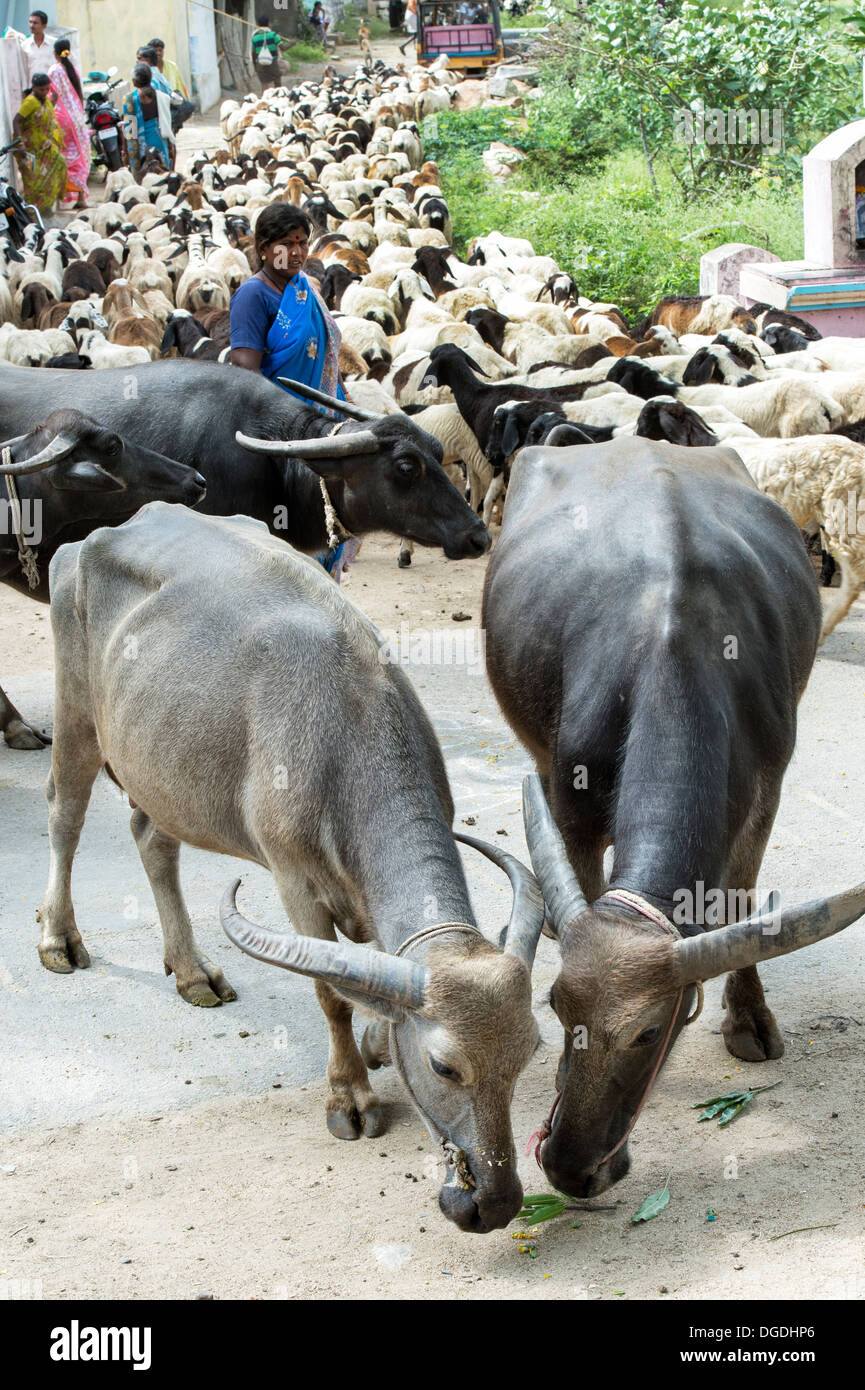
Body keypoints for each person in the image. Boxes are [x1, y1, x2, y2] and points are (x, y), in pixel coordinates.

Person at [230, 203, 359, 578]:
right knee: (285, 536)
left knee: (320, 523)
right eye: (287, 243)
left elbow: (328, 355)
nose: (298, 252)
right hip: (279, 432)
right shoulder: (253, 296)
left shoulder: (306, 289)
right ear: (264, 248)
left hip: (320, 426)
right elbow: (244, 370)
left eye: (303, 242)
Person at [12, 72, 67, 215]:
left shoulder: (45, 100)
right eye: (41, 90)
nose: (44, 92)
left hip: (44, 148)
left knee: (57, 168)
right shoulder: (30, 102)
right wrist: (20, 144)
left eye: (46, 89)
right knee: (33, 181)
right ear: (34, 88)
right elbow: (16, 120)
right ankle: (32, 212)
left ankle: (46, 206)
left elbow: (46, 115)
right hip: (29, 149)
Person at [48, 38, 90, 210]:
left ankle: (59, 198)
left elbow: (54, 97)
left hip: (62, 118)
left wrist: (45, 113)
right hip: (77, 118)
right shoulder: (74, 69)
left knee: (62, 158)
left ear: (55, 53)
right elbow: (78, 95)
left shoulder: (54, 70)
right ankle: (81, 197)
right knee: (79, 156)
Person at [122, 62, 175, 177]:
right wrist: (170, 146)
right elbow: (167, 122)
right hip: (159, 141)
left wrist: (125, 151)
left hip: (139, 147)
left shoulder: (130, 100)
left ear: (135, 81)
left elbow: (130, 132)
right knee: (162, 173)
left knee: (142, 177)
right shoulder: (161, 97)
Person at [251, 15, 288, 93]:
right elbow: (283, 48)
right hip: (272, 62)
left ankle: (265, 100)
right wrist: (292, 43)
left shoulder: (255, 37)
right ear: (268, 23)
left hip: (260, 63)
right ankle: (278, 97)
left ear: (258, 24)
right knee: (277, 80)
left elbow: (253, 53)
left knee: (264, 83)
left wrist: (255, 65)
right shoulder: (273, 35)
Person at [21, 10, 51, 83]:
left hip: (51, 88)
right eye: (30, 22)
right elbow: (23, 70)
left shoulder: (54, 44)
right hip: (32, 89)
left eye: (35, 23)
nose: (31, 25)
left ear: (44, 25)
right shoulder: (24, 45)